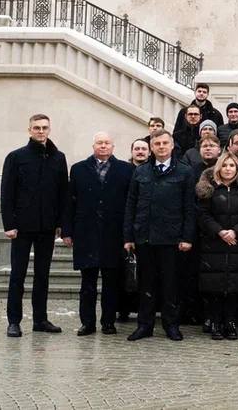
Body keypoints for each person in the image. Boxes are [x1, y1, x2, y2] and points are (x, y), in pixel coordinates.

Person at [123, 129, 195, 341]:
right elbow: (131, 204)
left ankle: (171, 325)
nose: (161, 147)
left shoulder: (184, 172)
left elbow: (189, 208)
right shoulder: (141, 172)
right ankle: (144, 325)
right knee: (146, 284)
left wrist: (187, 237)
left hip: (172, 239)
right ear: (151, 147)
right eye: (157, 144)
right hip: (144, 237)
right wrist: (128, 237)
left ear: (172, 146)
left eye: (165, 143)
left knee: (170, 284)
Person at [0, 114, 68, 338]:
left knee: (43, 275)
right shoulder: (16, 157)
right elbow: (7, 193)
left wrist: (60, 223)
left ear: (50, 130)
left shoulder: (58, 158)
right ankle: (14, 321)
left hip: (47, 227)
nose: (41, 131)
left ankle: (40, 319)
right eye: (36, 128)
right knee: (17, 275)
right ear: (29, 130)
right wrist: (9, 224)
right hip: (21, 227)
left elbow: (62, 193)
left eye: (45, 128)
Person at [63, 131, 133, 336]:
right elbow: (70, 202)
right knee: (88, 283)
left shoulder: (125, 170)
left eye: (107, 143)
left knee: (111, 283)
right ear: (93, 146)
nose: (103, 146)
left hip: (114, 234)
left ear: (113, 146)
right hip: (86, 233)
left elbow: (130, 203)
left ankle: (108, 322)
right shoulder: (78, 169)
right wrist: (67, 231)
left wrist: (129, 235)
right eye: (99, 143)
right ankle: (88, 322)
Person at [195, 150, 238, 341]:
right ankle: (215, 322)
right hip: (214, 244)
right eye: (225, 165)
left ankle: (230, 322)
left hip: (237, 244)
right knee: (214, 286)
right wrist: (220, 231)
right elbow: (203, 215)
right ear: (218, 167)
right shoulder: (209, 188)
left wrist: (236, 231)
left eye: (232, 166)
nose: (228, 169)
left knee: (233, 287)